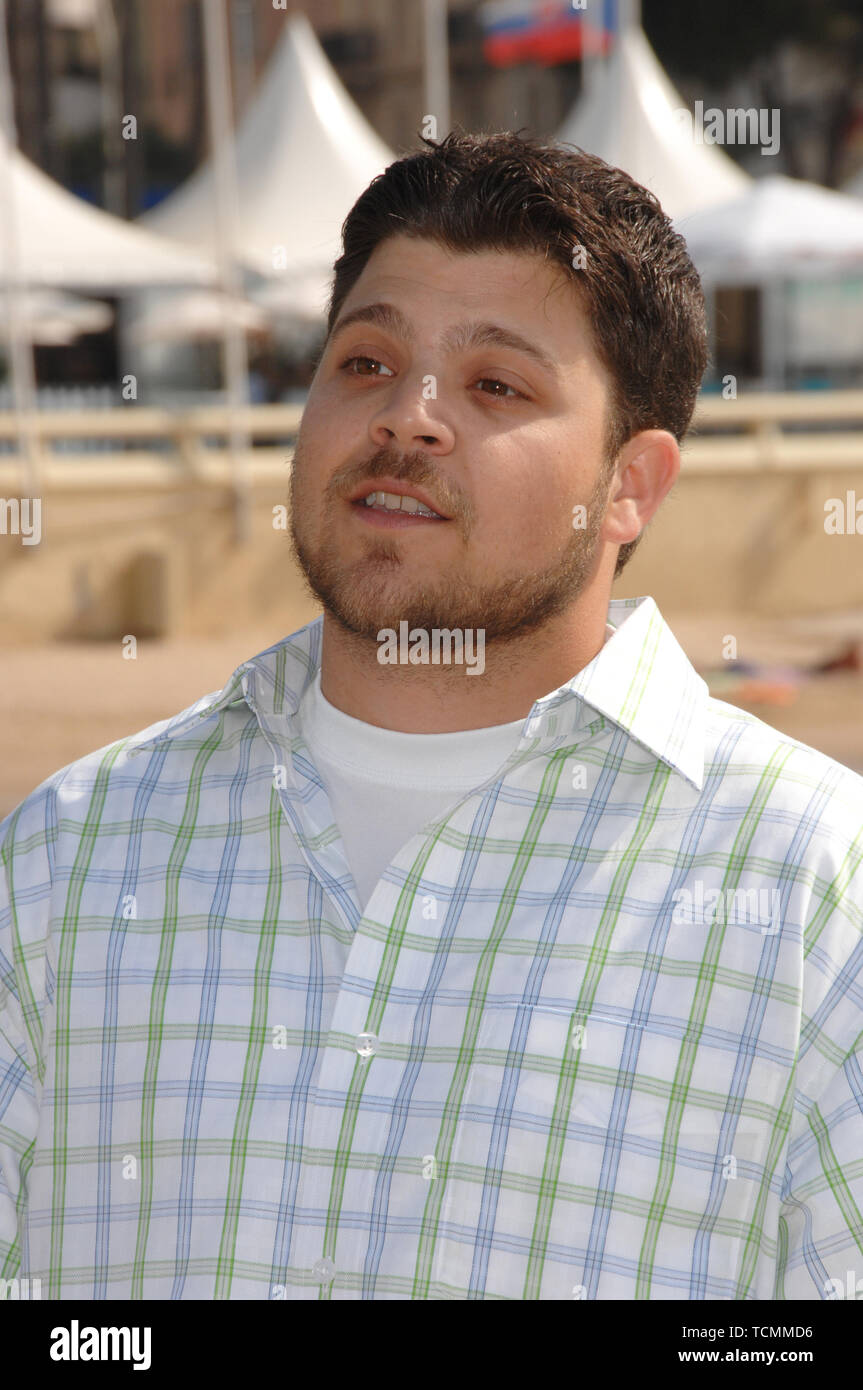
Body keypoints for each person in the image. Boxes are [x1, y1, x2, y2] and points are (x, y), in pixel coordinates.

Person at [1, 131, 861, 1302]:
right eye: (364, 361)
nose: (407, 418)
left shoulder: (813, 898)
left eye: (494, 384)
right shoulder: (66, 861)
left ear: (628, 486)